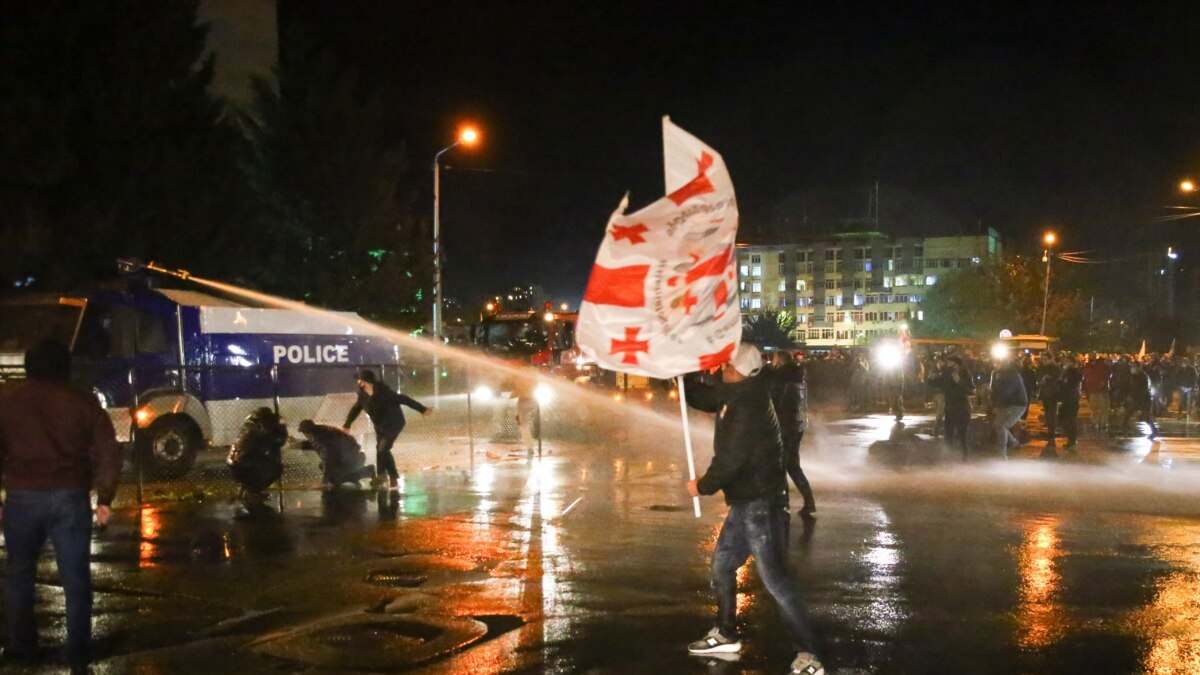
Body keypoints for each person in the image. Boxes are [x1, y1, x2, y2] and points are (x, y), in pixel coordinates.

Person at [683, 344, 824, 675]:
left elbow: (730, 460)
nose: (720, 370)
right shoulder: (741, 391)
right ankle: (726, 633)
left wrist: (701, 485)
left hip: (764, 505)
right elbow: (705, 398)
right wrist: (685, 374)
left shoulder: (748, 405)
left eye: (725, 367)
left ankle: (811, 655)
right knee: (721, 566)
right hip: (746, 503)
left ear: (738, 371)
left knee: (776, 581)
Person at [0, 339, 121, 673]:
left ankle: (23, 646)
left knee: (19, 576)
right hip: (70, 497)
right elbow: (107, 450)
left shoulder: (8, 402)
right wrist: (105, 498)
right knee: (75, 578)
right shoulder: (82, 402)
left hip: (22, 497)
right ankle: (78, 649)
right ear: (64, 367)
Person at [343, 369, 431, 490]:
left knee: (383, 448)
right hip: (380, 426)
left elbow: (404, 399)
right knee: (380, 449)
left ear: (365, 381)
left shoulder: (383, 392)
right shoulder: (362, 395)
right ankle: (389, 476)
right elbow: (356, 409)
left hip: (394, 423)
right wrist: (347, 424)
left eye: (359, 380)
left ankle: (384, 476)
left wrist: (422, 409)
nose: (358, 382)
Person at [769, 351, 815, 518]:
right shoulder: (798, 376)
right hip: (797, 425)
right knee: (792, 465)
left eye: (773, 360)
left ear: (779, 361)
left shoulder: (780, 378)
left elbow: (774, 402)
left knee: (781, 465)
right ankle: (808, 501)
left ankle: (783, 504)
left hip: (784, 425)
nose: (772, 363)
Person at [227, 407, 287, 516]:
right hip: (244, 465)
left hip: (235, 464)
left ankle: (248, 490)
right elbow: (277, 441)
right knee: (275, 468)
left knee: (264, 463)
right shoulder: (257, 431)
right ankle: (252, 492)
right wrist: (281, 429)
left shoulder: (248, 427)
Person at [296, 419, 376, 488]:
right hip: (353, 456)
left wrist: (325, 480)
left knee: (333, 478)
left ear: (306, 432)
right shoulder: (320, 431)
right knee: (324, 468)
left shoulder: (320, 438)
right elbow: (315, 444)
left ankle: (366, 472)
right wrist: (300, 444)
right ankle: (361, 472)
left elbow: (329, 458)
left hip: (351, 460)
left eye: (304, 433)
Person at [931, 356, 975, 459]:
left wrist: (959, 381)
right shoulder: (947, 374)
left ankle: (965, 457)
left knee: (962, 435)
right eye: (948, 362)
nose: (948, 365)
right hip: (950, 408)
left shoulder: (965, 374)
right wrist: (931, 379)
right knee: (948, 434)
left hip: (962, 408)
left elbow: (971, 390)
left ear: (957, 365)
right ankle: (948, 457)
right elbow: (938, 383)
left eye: (951, 363)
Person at [989, 351, 1028, 459]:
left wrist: (997, 404)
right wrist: (994, 405)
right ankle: (1014, 443)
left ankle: (1002, 455)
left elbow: (1006, 391)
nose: (994, 364)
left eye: (997, 362)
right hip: (1005, 404)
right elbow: (993, 390)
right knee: (997, 425)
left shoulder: (1012, 374)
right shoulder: (996, 373)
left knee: (1003, 426)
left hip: (1017, 403)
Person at [1123, 361, 1159, 440]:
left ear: (1139, 368)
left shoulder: (1143, 376)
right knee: (1127, 415)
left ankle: (1154, 431)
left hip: (1143, 399)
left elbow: (1143, 390)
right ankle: (1125, 430)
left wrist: (1136, 398)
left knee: (1146, 417)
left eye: (1135, 367)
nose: (1132, 368)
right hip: (1135, 399)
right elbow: (1130, 387)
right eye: (1132, 367)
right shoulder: (1132, 376)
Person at [1057, 356, 1083, 452]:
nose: (1064, 362)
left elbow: (1070, 383)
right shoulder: (1065, 371)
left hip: (1072, 398)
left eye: (1067, 361)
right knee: (1063, 418)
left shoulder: (1074, 371)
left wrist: (1063, 382)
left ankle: (1072, 439)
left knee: (1070, 419)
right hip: (1066, 398)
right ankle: (1070, 438)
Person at [1081, 353, 1111, 433]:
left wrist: (1103, 382)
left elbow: (1107, 374)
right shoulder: (1087, 366)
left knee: (1103, 407)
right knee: (1093, 407)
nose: (1091, 358)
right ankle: (1095, 422)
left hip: (1102, 390)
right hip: (1092, 390)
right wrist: (1084, 387)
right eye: (1090, 356)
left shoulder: (1102, 365)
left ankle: (1104, 422)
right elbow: (1084, 377)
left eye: (1092, 356)